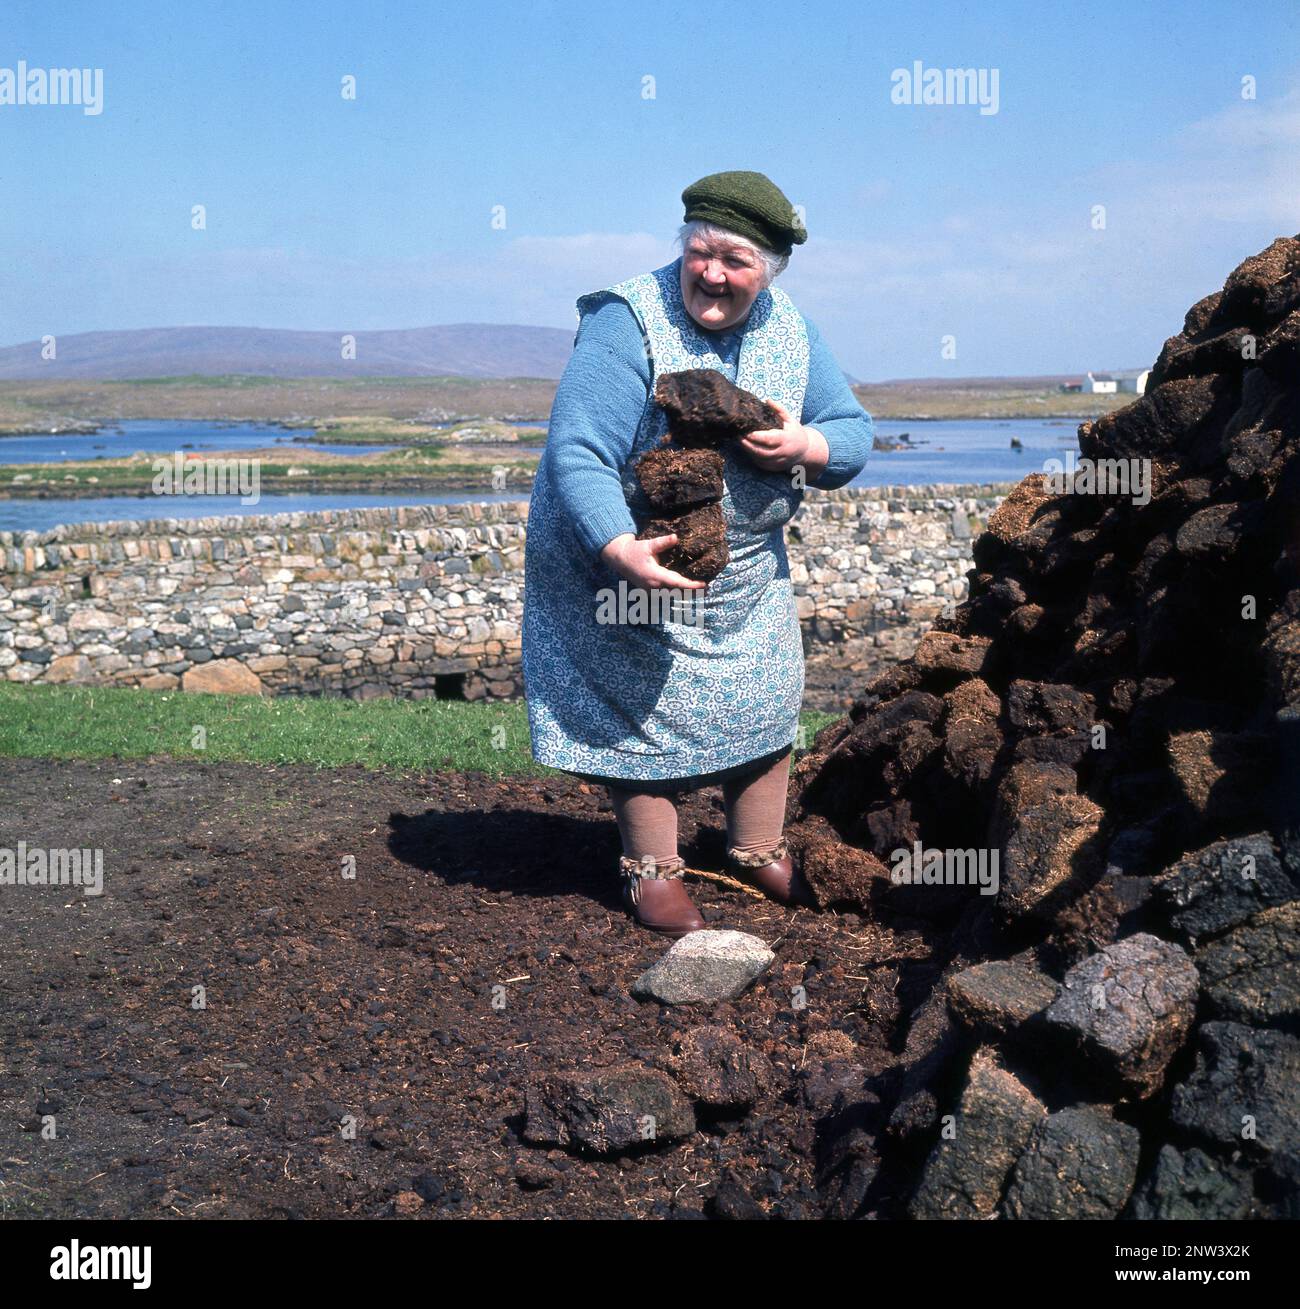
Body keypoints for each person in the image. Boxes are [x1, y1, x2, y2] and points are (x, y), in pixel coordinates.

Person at [522, 170, 873, 934]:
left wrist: (805, 442)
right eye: (701, 251)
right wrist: (617, 546)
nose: (713, 272)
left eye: (736, 260)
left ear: (770, 270)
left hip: (745, 569)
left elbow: (854, 434)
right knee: (642, 700)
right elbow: (578, 451)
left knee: (768, 688)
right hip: (624, 554)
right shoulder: (627, 321)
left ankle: (755, 849)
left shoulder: (794, 333)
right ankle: (652, 872)